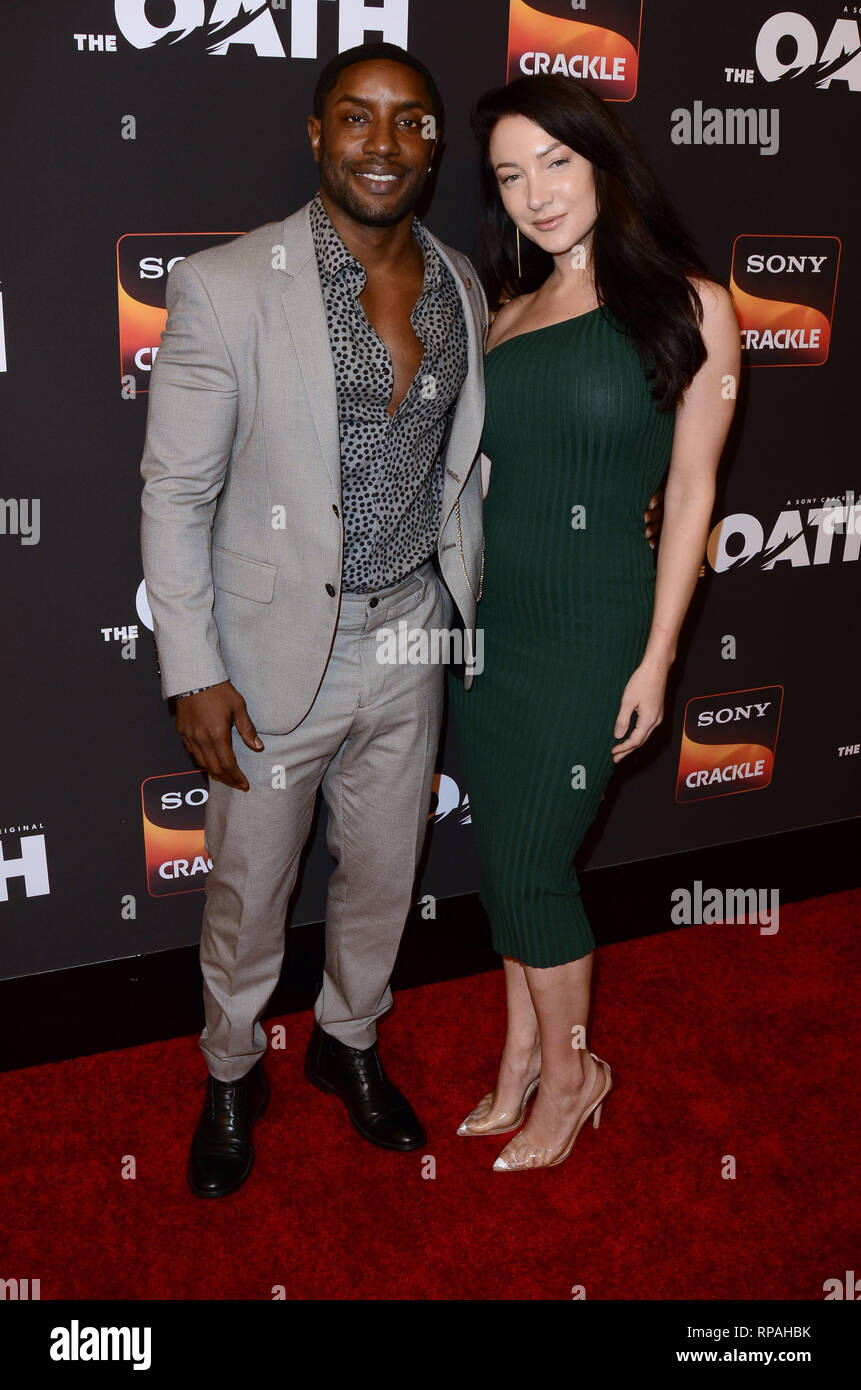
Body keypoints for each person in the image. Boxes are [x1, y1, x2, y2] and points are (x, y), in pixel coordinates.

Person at [139, 42, 490, 1198]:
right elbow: (177, 493)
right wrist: (192, 667)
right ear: (315, 133)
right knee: (249, 893)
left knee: (385, 872)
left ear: (435, 147)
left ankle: (348, 1043)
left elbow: (463, 463)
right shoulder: (228, 283)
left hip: (413, 636)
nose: (384, 145)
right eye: (358, 118)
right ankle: (234, 1069)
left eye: (411, 123)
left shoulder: (460, 284)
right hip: (272, 653)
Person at [448, 74, 740, 1172]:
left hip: (594, 627)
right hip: (493, 629)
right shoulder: (505, 308)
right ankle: (522, 1055)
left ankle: (575, 1075)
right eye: (511, 176)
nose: (535, 193)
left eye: (554, 162)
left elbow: (696, 497)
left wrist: (658, 658)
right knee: (505, 860)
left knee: (533, 866)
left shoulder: (692, 303)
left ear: (603, 159)